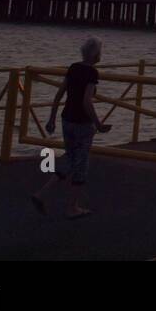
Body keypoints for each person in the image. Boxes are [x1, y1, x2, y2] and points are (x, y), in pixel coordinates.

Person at [31, 36, 111, 219]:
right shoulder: (92, 73)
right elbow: (86, 102)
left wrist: (51, 118)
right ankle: (72, 207)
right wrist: (98, 124)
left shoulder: (73, 67)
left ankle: (41, 194)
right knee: (81, 165)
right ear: (96, 54)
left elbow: (59, 94)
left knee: (70, 159)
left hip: (66, 119)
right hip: (83, 123)